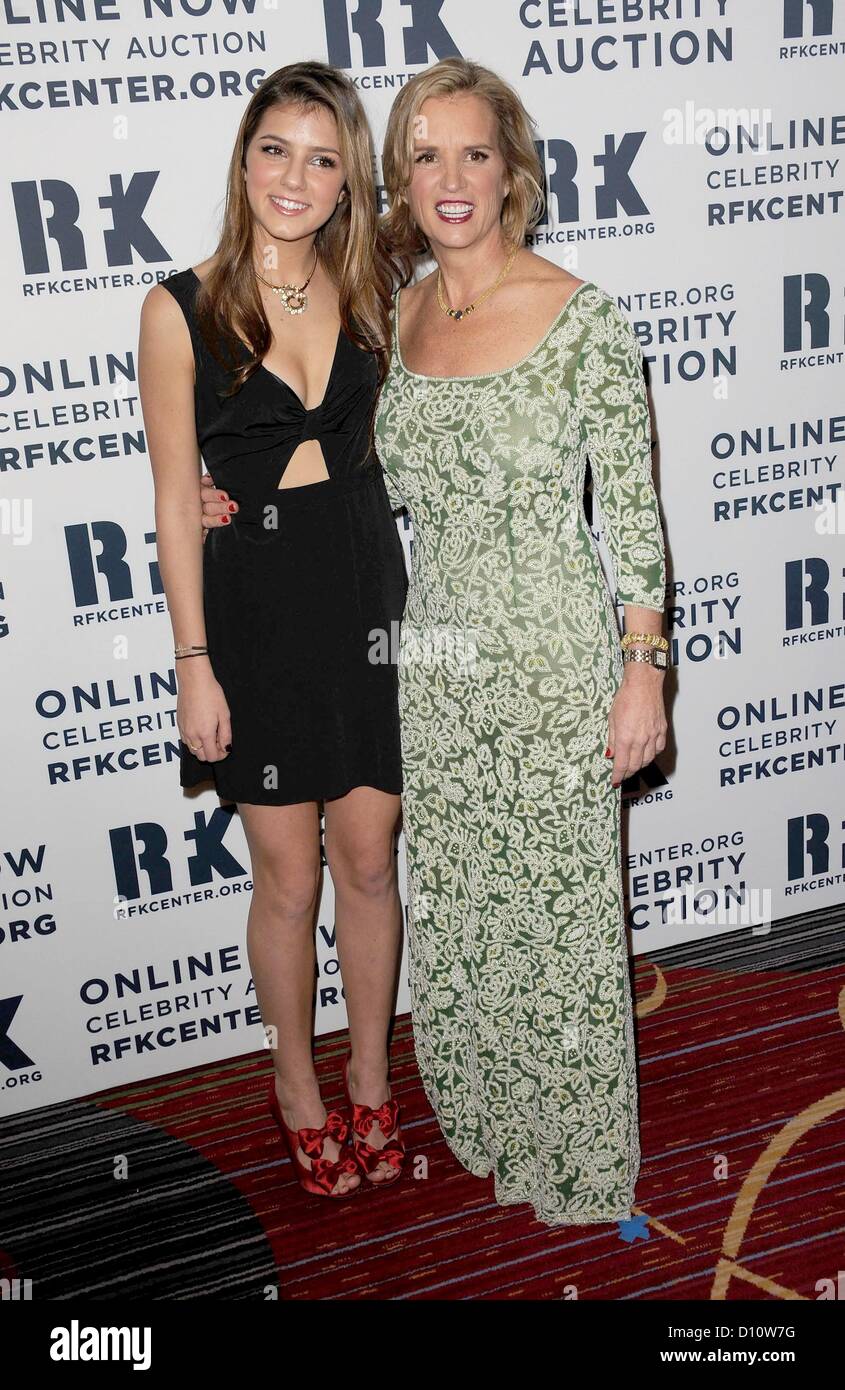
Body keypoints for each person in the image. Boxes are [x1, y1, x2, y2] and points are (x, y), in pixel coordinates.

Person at [200, 58, 670, 1227]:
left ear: (512, 170)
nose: (449, 178)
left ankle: (571, 1150)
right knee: (461, 907)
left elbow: (634, 515)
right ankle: (485, 1114)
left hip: (556, 659)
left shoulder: (583, 318)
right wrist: (230, 493)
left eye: (473, 152)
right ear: (397, 180)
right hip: (431, 664)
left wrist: (641, 671)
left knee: (558, 920)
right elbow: (323, 456)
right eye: (423, 153)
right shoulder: (390, 309)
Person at [138, 62, 409, 1199]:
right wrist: (192, 663)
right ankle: (295, 1084)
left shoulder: (379, 291)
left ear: (348, 181)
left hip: (368, 601)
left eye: (321, 156)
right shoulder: (179, 306)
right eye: (273, 149)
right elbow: (169, 498)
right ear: (243, 158)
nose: (292, 176)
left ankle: (369, 1085)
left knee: (368, 861)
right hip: (251, 613)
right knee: (287, 880)